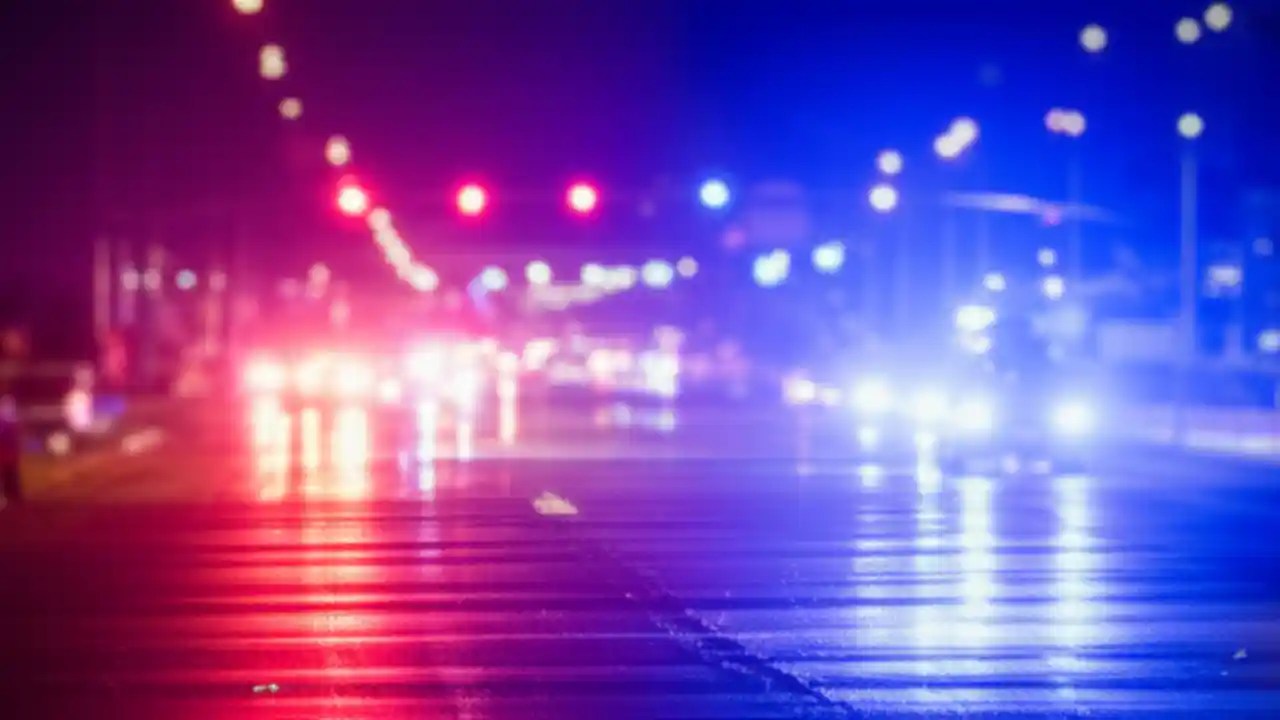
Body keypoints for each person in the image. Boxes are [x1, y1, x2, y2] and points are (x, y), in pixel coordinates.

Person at [0, 394, 21, 505]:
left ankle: (12, 494)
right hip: (7, 446)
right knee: (9, 470)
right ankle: (12, 494)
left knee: (9, 470)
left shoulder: (6, 401)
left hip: (7, 446)